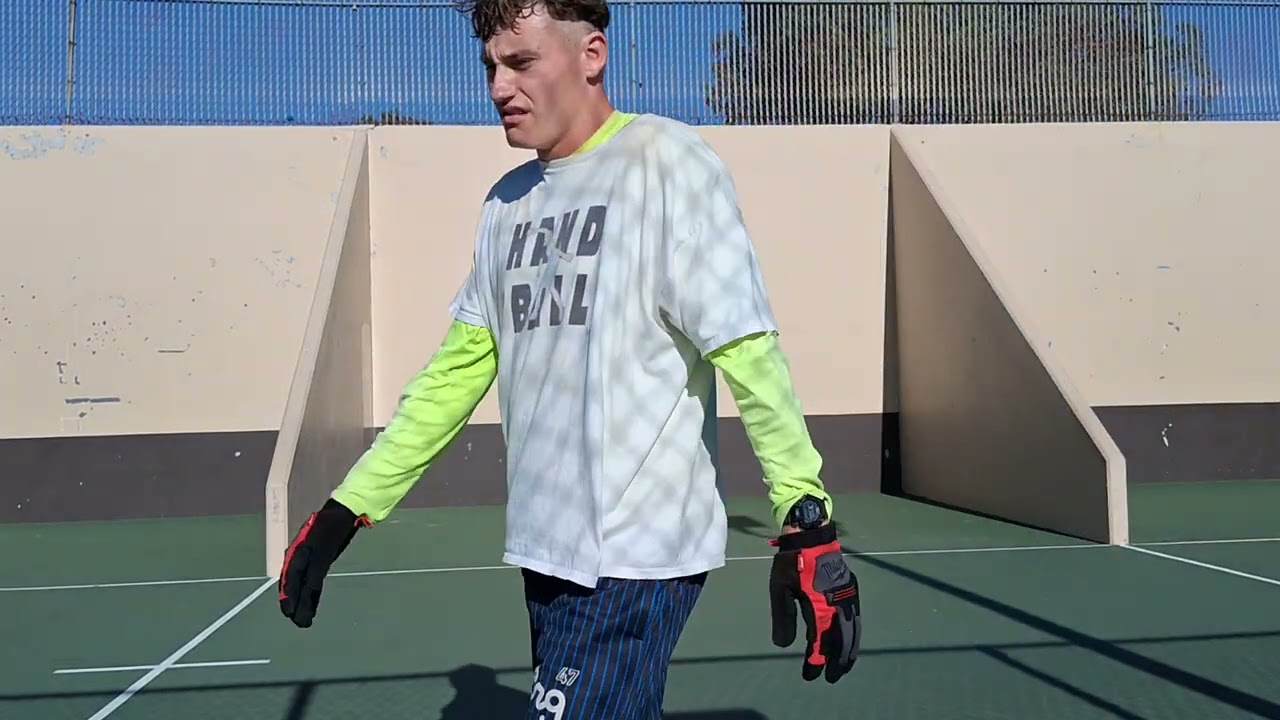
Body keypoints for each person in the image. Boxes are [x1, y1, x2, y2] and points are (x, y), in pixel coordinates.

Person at [276, 0, 861, 715]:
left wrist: (806, 515)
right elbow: (454, 375)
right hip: (544, 550)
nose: (499, 87)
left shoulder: (665, 161)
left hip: (637, 551)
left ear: (592, 55)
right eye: (491, 67)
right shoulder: (506, 206)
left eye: (522, 62)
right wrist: (348, 507)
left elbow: (746, 346)